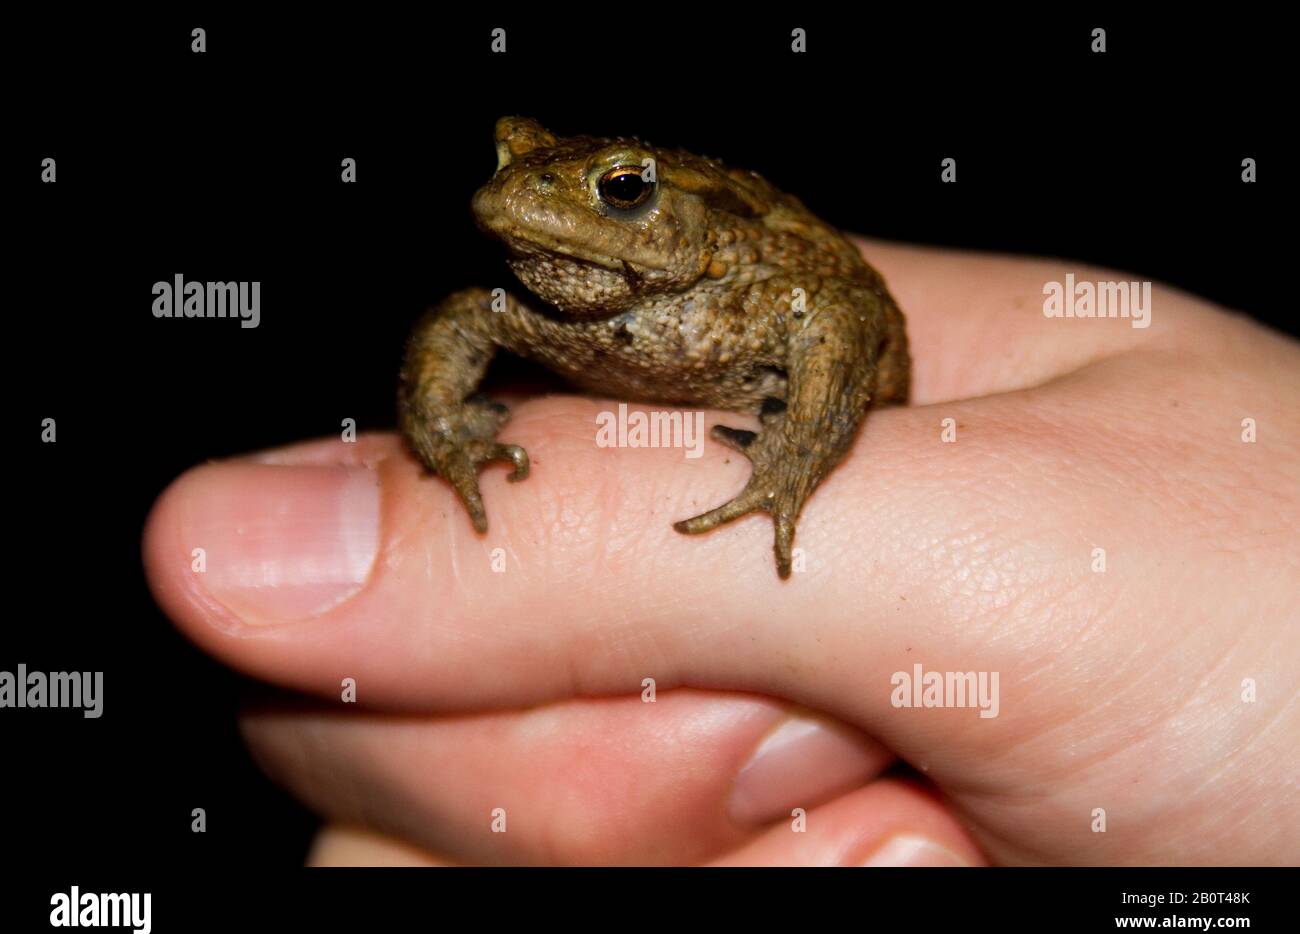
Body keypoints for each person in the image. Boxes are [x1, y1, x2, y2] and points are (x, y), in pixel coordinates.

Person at [142, 240, 1299, 866]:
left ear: (669, 214)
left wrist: (797, 463)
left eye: (620, 195)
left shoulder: (748, 284)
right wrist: (441, 430)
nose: (524, 197)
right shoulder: (537, 297)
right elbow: (462, 323)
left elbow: (837, 317)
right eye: (515, 162)